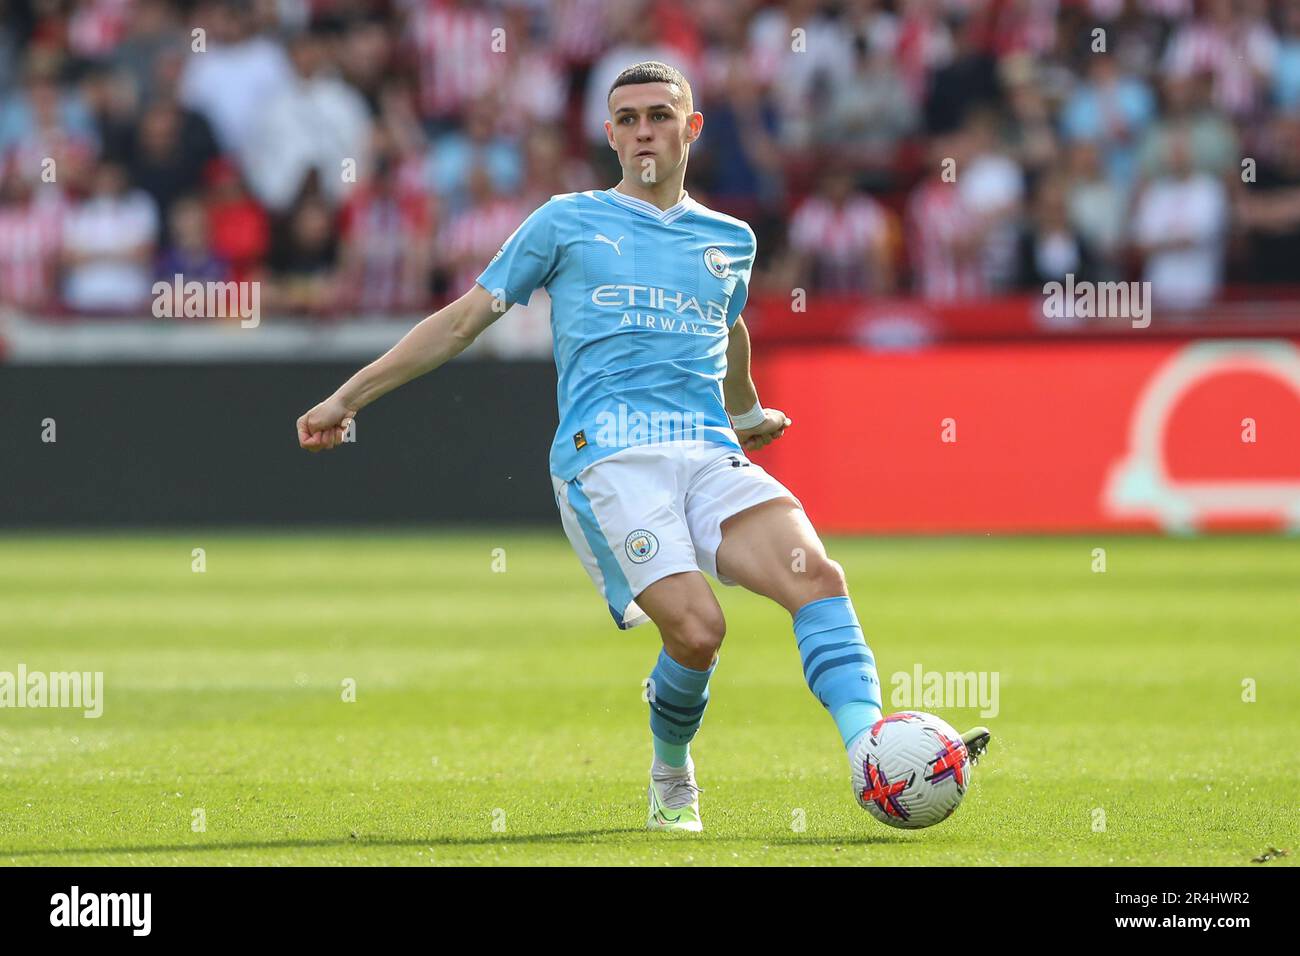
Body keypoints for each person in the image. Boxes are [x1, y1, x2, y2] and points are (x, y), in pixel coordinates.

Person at [295, 61, 990, 832]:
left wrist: (747, 410)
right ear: (610, 136)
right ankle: (670, 772)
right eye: (626, 119)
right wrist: (347, 397)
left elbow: (727, 329)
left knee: (818, 575)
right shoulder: (565, 221)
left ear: (690, 129)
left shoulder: (729, 238)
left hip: (707, 451)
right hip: (609, 459)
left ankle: (869, 752)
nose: (642, 130)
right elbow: (461, 321)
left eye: (658, 115)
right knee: (698, 631)